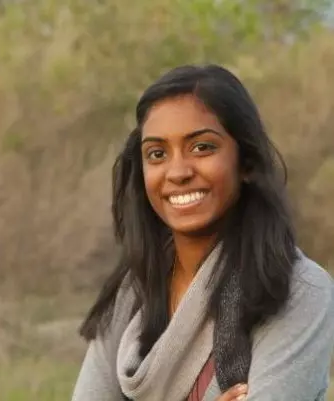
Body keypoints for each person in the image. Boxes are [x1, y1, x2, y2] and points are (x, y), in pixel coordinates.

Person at [71, 64, 334, 401]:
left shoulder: (297, 291)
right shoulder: (131, 293)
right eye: (157, 154)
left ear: (247, 163)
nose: (178, 172)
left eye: (202, 148)